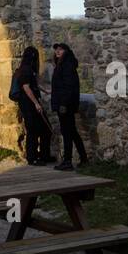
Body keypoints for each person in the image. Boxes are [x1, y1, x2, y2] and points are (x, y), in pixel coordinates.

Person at [10, 47, 52, 165]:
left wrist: (45, 91)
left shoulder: (26, 70)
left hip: (28, 104)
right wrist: (36, 103)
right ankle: (32, 158)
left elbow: (34, 84)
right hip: (29, 105)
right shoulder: (26, 70)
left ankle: (43, 155)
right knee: (33, 131)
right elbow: (26, 87)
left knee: (44, 129)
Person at [50, 42, 89, 170]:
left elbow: (69, 87)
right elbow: (61, 86)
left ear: (66, 52)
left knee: (67, 132)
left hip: (65, 105)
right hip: (65, 103)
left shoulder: (66, 65)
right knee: (72, 132)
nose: (57, 51)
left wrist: (63, 104)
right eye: (56, 49)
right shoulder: (62, 64)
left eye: (60, 49)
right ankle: (83, 159)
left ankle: (67, 161)